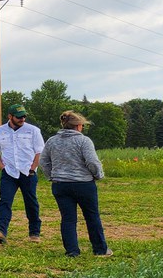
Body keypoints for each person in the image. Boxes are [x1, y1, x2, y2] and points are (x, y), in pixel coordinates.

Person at [40, 110, 112, 258]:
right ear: (78, 126)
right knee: (92, 216)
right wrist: (98, 175)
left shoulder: (52, 141)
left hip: (60, 184)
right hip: (83, 184)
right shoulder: (83, 141)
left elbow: (43, 162)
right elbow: (92, 161)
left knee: (68, 218)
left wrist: (52, 176)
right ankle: (100, 250)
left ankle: (72, 251)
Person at [0, 104, 44, 244]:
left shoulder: (33, 131)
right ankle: (1, 231)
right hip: (9, 173)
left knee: (31, 202)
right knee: (5, 201)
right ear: (10, 116)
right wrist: (2, 167)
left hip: (28, 172)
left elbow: (39, 151)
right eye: (19, 117)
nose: (22, 119)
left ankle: (34, 233)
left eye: (24, 116)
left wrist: (33, 168)